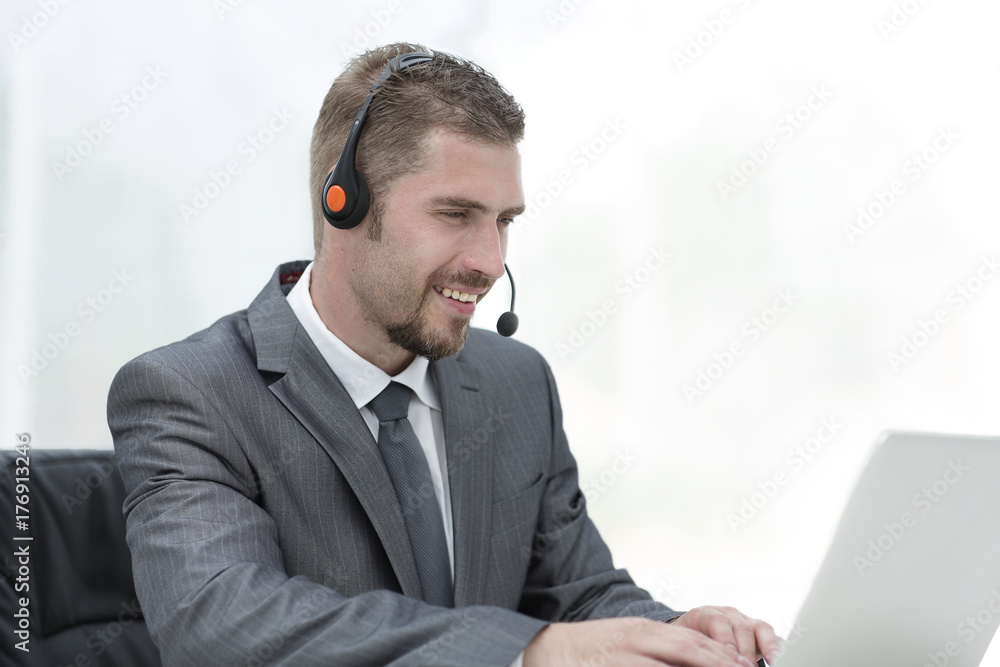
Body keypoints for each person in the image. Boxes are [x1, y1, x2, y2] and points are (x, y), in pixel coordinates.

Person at [108, 42, 780, 667]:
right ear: (343, 204)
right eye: (455, 214)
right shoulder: (189, 393)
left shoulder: (517, 383)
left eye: (504, 220)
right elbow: (223, 621)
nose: (490, 262)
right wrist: (530, 653)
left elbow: (576, 595)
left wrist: (676, 635)